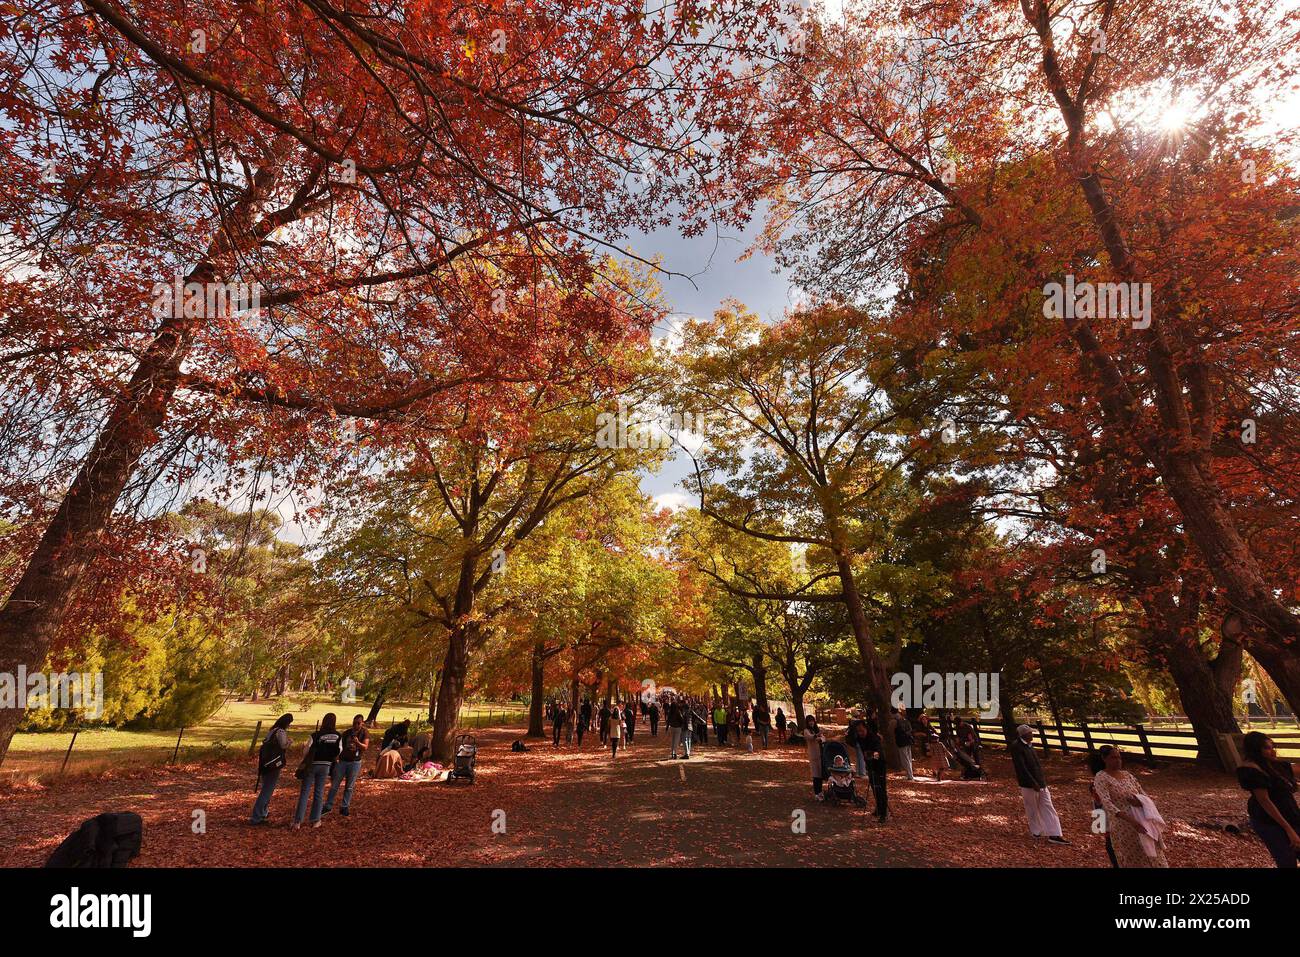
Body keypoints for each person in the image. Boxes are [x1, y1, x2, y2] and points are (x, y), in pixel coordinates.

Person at [1088, 746, 1166, 867]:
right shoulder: (1101, 777)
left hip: (1142, 820)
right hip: (1123, 825)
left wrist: (1140, 802)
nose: (1118, 760)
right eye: (1113, 758)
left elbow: (1143, 794)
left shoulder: (1127, 775)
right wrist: (1131, 821)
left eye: (1119, 757)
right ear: (1104, 759)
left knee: (1154, 857)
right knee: (1134, 857)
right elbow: (1107, 803)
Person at [1237, 731, 1300, 868]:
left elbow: (1292, 778)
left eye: (1272, 747)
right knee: (1287, 861)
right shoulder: (1250, 770)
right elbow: (1265, 801)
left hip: (1291, 815)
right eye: (1267, 748)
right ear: (1255, 749)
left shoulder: (1276, 765)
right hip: (1270, 822)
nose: (1272, 751)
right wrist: (1289, 830)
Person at [1010, 723, 1070, 845]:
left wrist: (1041, 781)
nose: (1032, 734)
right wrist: (1033, 782)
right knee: (1032, 807)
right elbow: (1021, 767)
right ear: (1025, 735)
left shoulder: (1029, 745)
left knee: (1048, 806)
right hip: (1028, 784)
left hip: (1040, 782)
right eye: (1030, 733)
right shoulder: (1017, 747)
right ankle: (1036, 831)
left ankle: (1055, 833)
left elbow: (1035, 765)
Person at [292, 713, 343, 830]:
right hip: (326, 765)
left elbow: (306, 751)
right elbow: (339, 751)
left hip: (312, 765)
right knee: (319, 793)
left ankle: (297, 821)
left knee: (304, 792)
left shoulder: (315, 735)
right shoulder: (337, 736)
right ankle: (316, 820)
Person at [250, 713, 294, 825]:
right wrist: (290, 741)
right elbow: (283, 745)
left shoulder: (272, 730)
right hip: (274, 764)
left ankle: (263, 813)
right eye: (290, 724)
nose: (289, 726)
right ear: (287, 723)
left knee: (266, 788)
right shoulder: (281, 732)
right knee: (267, 791)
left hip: (265, 763)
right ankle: (257, 816)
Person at [323, 713, 368, 818]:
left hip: (355, 762)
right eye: (354, 723)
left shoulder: (364, 733)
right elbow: (340, 746)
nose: (355, 725)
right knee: (334, 785)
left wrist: (357, 743)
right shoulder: (347, 733)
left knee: (349, 786)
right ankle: (328, 806)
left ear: (362, 723)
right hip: (343, 761)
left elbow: (365, 747)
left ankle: (344, 807)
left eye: (358, 723)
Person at [862, 717, 888, 822]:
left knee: (881, 789)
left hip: (879, 766)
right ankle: (879, 809)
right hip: (870, 766)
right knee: (875, 788)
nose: (860, 733)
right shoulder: (862, 739)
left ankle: (884, 813)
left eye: (862, 730)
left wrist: (872, 755)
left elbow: (878, 753)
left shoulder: (875, 738)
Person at [804, 715, 826, 797]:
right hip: (813, 755)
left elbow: (824, 738)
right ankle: (817, 793)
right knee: (815, 775)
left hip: (820, 754)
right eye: (809, 721)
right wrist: (817, 735)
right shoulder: (806, 730)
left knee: (820, 774)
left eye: (812, 720)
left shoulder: (817, 729)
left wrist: (820, 737)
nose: (811, 722)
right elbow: (809, 737)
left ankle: (820, 792)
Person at [892, 708, 914, 780]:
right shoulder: (905, 719)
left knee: (904, 760)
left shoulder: (895, 721)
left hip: (901, 742)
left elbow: (890, 730)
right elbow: (910, 729)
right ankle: (909, 775)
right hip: (908, 740)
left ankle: (910, 776)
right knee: (908, 758)